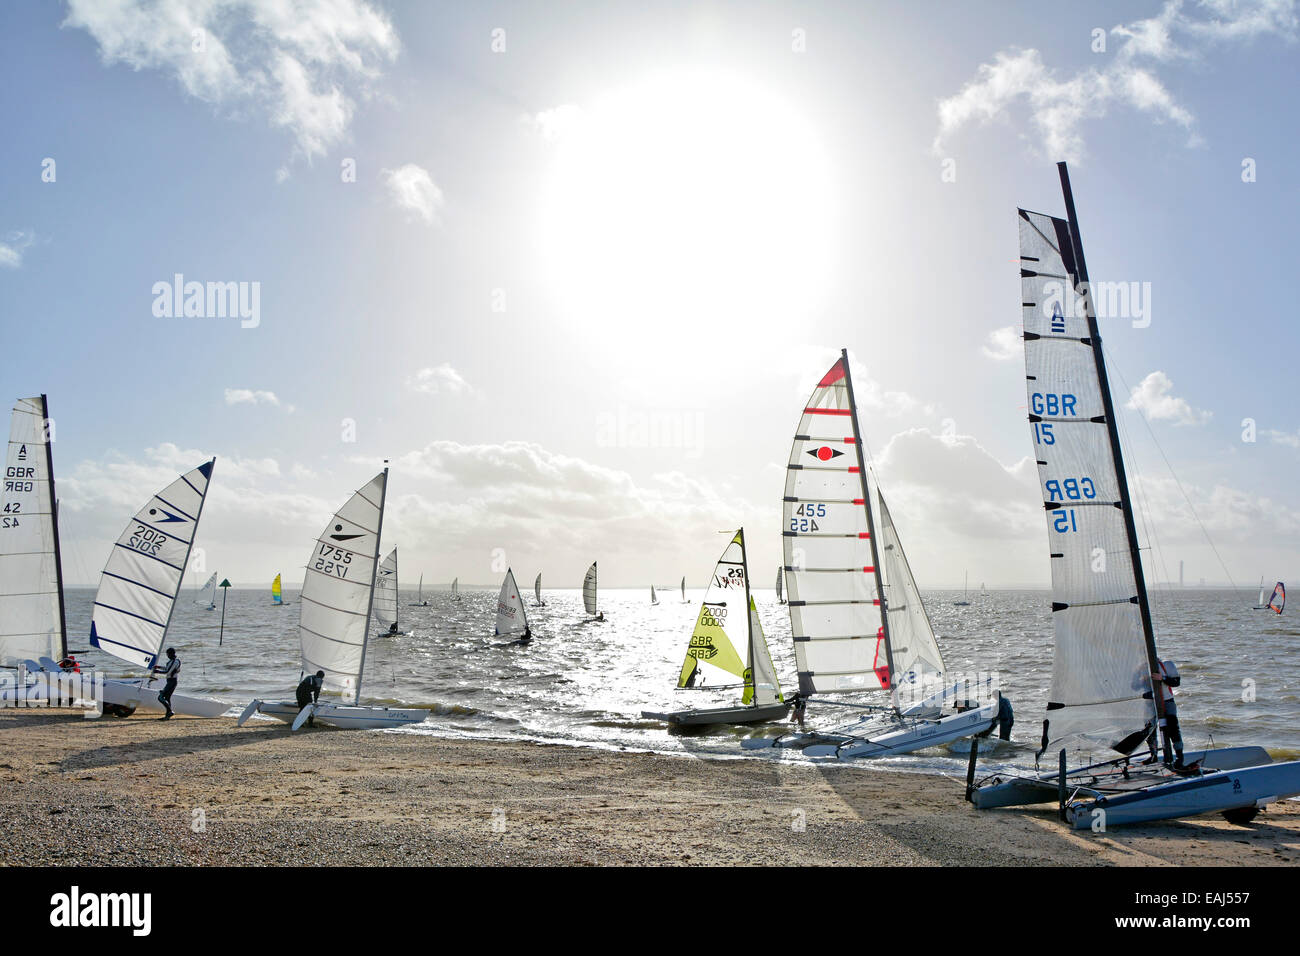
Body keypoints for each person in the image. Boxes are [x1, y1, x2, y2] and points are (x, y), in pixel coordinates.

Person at [1151, 659, 1185, 767]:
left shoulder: (1167, 665)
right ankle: (1153, 755)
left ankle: (1179, 757)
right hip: (1151, 703)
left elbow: (1176, 682)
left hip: (1167, 701)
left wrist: (1162, 678)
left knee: (1172, 728)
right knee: (1149, 730)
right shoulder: (1141, 668)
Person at [152, 648, 180, 720]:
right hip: (171, 681)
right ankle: (167, 716)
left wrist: (157, 671)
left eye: (167, 654)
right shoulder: (173, 661)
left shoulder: (175, 661)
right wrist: (159, 667)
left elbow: (167, 672)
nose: (167, 655)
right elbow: (167, 668)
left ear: (171, 654)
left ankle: (170, 711)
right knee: (167, 698)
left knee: (160, 697)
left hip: (172, 682)